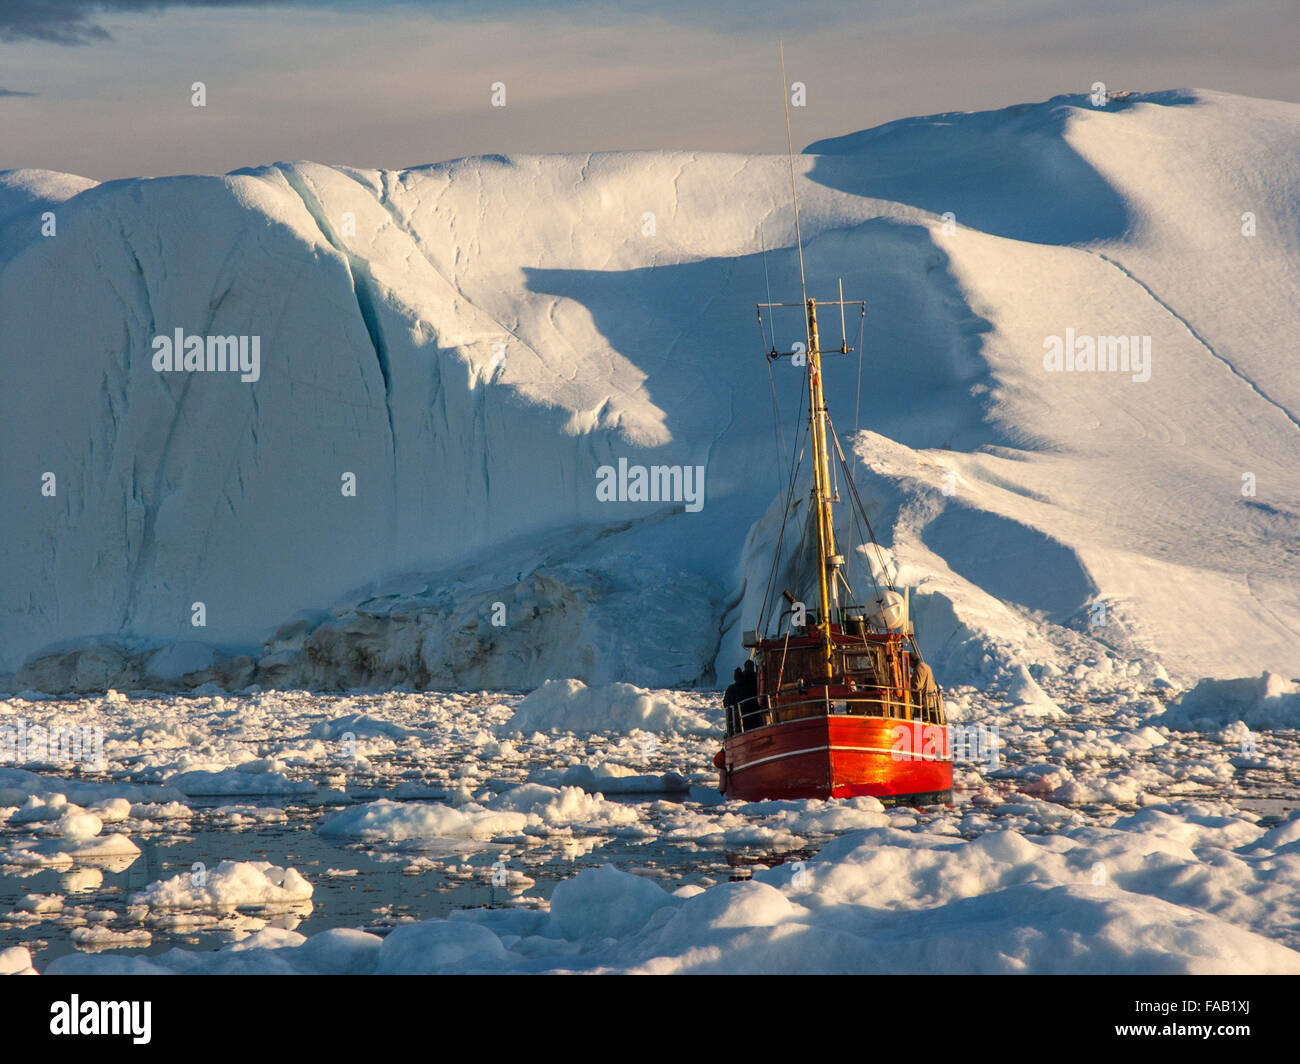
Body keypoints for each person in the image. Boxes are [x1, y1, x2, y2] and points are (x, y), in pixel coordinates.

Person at [739, 659, 760, 730]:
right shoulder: (756, 676)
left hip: (744, 707)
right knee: (756, 724)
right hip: (756, 705)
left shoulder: (741, 677)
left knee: (746, 725)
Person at [723, 667, 743, 734]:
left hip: (735, 718)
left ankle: (732, 731)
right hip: (748, 717)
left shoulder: (731, 688)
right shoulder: (746, 686)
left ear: (735, 677)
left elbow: (725, 703)